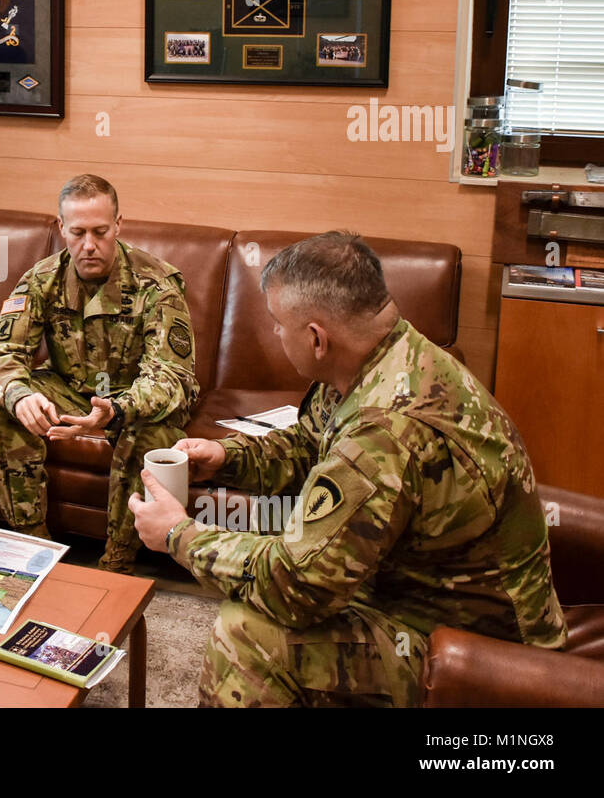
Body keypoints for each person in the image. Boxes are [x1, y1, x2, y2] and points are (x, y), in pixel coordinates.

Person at [128, 231, 566, 707]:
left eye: (278, 324)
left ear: (317, 338)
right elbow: (309, 444)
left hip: (475, 649)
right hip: (413, 591)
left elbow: (296, 587)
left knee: (249, 633)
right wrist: (226, 459)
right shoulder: (382, 356)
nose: (275, 334)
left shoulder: (386, 431)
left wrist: (177, 536)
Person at [0, 174, 200, 572]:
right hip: (72, 390)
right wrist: (19, 395)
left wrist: (116, 408)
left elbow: (170, 376)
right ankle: (35, 546)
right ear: (61, 227)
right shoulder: (42, 279)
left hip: (136, 396)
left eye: (100, 231)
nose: (89, 245)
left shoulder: (157, 283)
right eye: (77, 232)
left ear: (118, 225)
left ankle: (118, 560)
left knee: (153, 432)